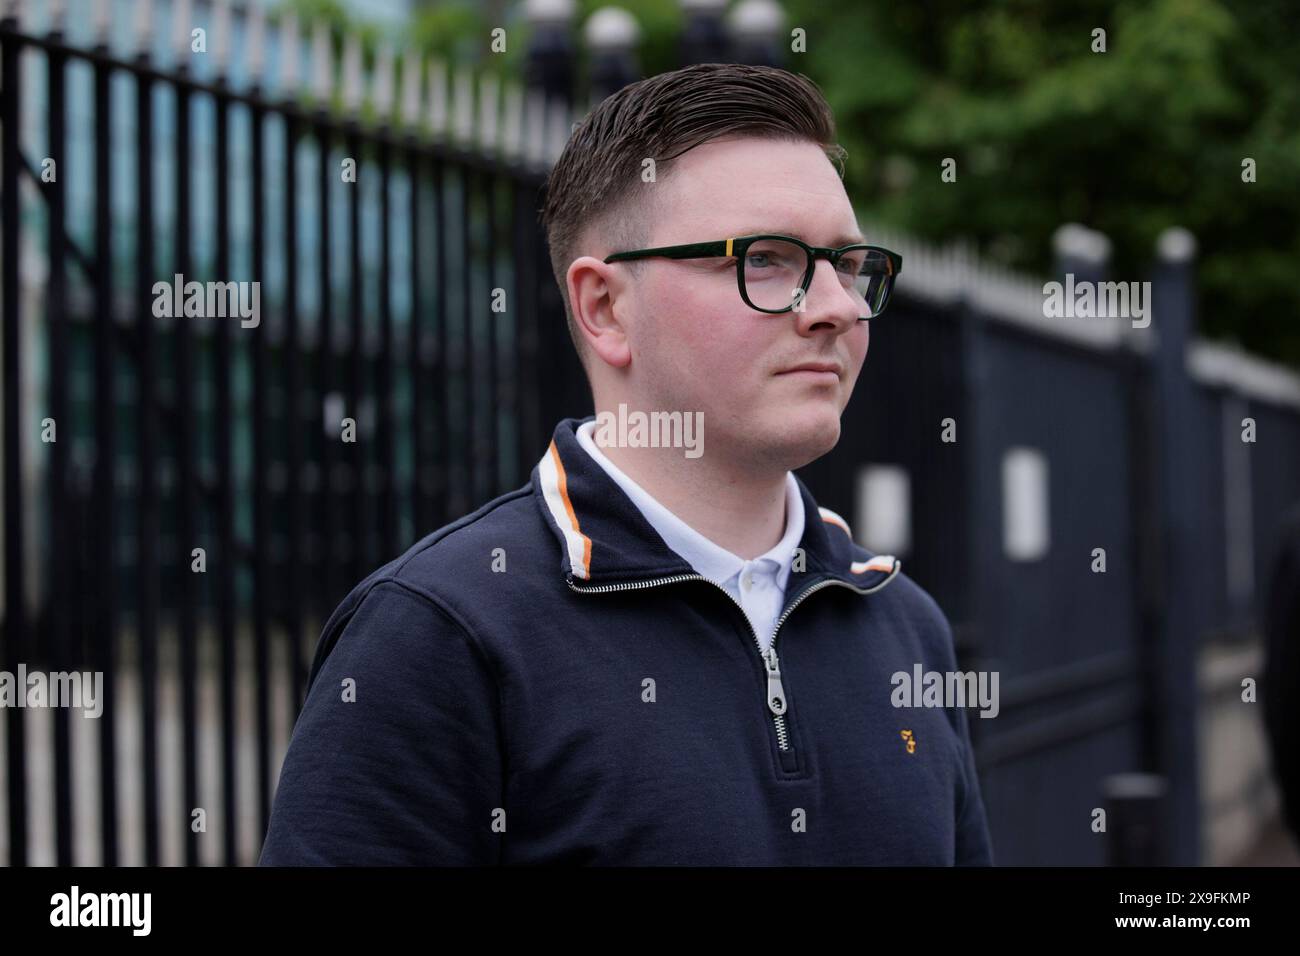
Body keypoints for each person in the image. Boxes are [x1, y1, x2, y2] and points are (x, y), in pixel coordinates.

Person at [259, 62, 994, 866]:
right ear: (605, 307)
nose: (836, 308)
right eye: (768, 260)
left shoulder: (903, 622)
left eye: (848, 265)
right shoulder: (442, 636)